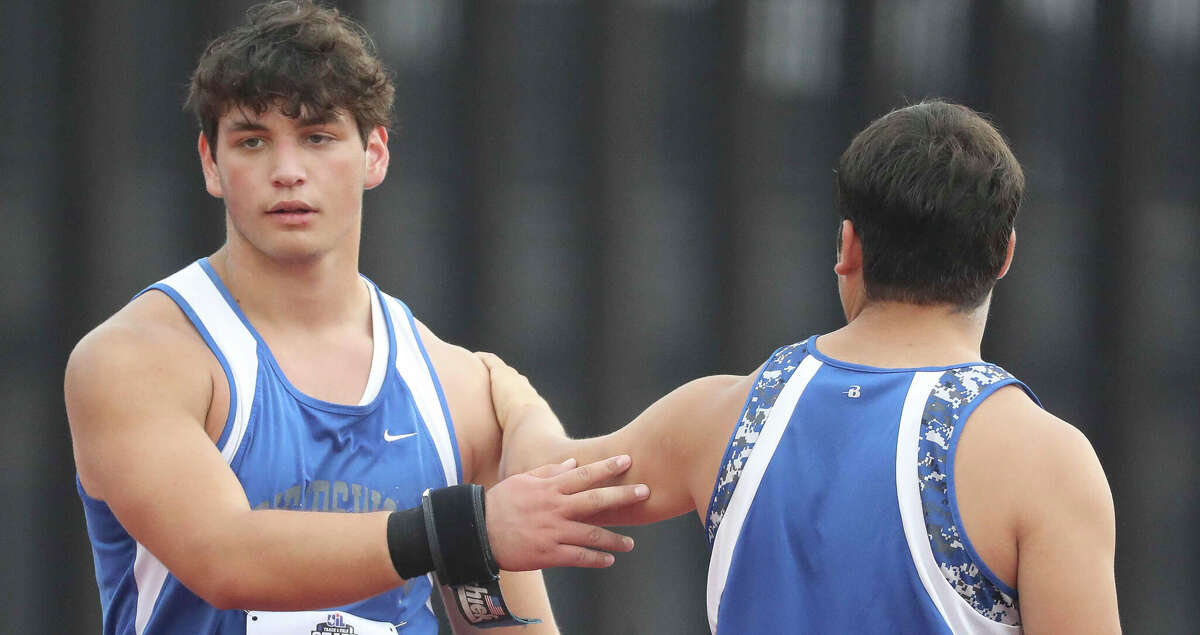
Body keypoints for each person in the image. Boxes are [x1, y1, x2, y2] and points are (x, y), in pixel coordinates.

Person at [64, 2, 649, 633]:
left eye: (317, 137)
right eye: (253, 141)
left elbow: (502, 623)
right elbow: (225, 558)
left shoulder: (458, 389)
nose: (287, 172)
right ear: (211, 162)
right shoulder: (136, 359)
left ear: (374, 155)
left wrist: (515, 460)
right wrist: (456, 530)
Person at [479, 100, 1120, 633]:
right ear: (1004, 254)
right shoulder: (1048, 464)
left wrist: (511, 397)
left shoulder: (724, 416)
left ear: (848, 247)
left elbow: (543, 478)